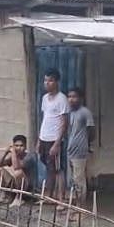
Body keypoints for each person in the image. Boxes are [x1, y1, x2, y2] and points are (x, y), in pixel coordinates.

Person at [37, 69, 68, 202]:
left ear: (56, 82)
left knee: (58, 169)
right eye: (45, 80)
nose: (47, 83)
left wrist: (57, 143)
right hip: (44, 138)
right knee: (49, 168)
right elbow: (45, 118)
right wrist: (39, 139)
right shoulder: (44, 98)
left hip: (54, 140)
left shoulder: (62, 99)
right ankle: (49, 196)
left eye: (50, 80)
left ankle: (60, 198)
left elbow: (64, 122)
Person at [66, 87, 95, 208]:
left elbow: (92, 131)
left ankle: (81, 207)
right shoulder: (70, 113)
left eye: (74, 97)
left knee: (79, 180)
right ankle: (77, 204)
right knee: (74, 180)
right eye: (69, 97)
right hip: (70, 150)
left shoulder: (85, 112)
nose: (71, 99)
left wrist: (86, 144)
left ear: (80, 98)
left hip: (80, 151)